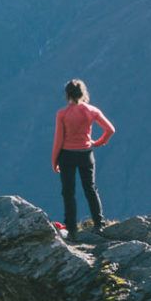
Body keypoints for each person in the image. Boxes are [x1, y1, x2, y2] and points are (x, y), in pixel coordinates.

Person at [53, 79, 114, 235]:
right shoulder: (92, 111)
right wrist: (98, 143)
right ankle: (99, 224)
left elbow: (58, 140)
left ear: (67, 95)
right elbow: (110, 130)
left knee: (68, 192)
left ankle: (71, 229)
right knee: (91, 189)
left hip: (67, 155)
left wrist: (54, 160)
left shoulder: (62, 114)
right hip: (86, 154)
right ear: (83, 93)